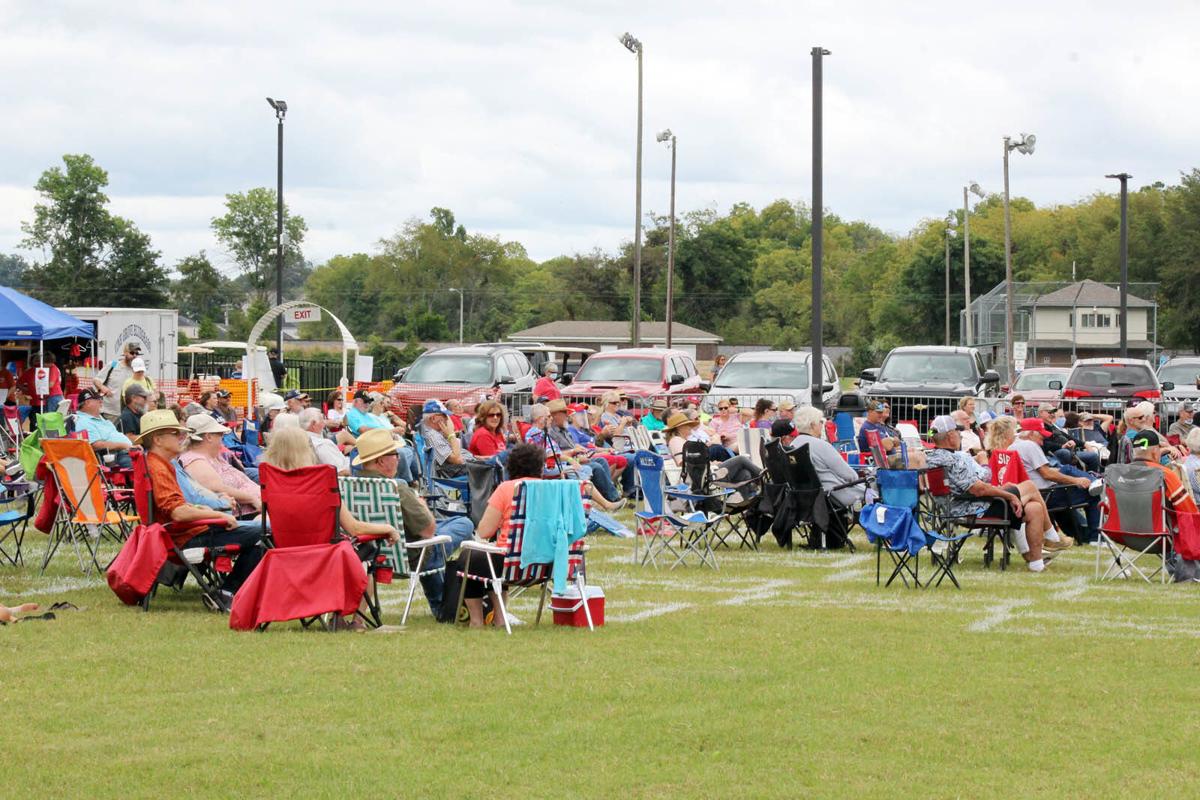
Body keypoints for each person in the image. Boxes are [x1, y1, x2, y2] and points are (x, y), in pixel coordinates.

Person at [262, 426, 401, 627]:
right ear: (307, 449)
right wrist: (388, 528)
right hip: (326, 555)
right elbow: (354, 528)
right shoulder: (320, 479)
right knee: (369, 552)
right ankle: (356, 621)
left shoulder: (269, 481)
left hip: (284, 553)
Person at [137, 409, 266, 597]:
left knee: (266, 528)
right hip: (189, 534)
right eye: (175, 433)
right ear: (158, 439)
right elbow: (177, 513)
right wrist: (218, 514)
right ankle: (227, 592)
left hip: (190, 530)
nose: (182, 436)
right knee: (267, 531)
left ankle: (233, 591)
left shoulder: (162, 463)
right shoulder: (158, 468)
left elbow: (177, 506)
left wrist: (201, 508)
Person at [352, 427, 475, 618]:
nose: (399, 458)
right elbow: (428, 530)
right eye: (395, 454)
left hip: (370, 554)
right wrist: (421, 505)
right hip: (409, 555)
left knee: (444, 533)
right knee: (463, 525)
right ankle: (441, 604)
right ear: (381, 461)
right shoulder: (396, 488)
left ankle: (441, 604)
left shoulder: (350, 485)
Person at [925, 415, 1053, 572]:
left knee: (1034, 507)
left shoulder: (933, 457)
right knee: (1029, 487)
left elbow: (976, 486)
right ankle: (1052, 537)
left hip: (957, 505)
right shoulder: (954, 460)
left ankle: (1036, 563)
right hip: (972, 508)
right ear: (951, 436)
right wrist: (1009, 495)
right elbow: (979, 489)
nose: (959, 435)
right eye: (957, 433)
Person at [463, 443, 550, 628]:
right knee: (487, 559)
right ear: (540, 467)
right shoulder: (553, 490)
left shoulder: (506, 488)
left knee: (470, 558)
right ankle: (499, 617)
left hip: (512, 564)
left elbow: (485, 531)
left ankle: (477, 620)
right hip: (545, 564)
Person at [983, 415, 1070, 551]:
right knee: (1030, 491)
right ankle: (1051, 537)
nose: (1018, 433)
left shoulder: (989, 451)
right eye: (1015, 429)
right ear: (1008, 433)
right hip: (1003, 499)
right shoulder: (1020, 447)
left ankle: (1036, 553)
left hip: (999, 496)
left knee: (1031, 503)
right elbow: (1037, 476)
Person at [1014, 417, 1101, 544]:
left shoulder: (1013, 445)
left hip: (1034, 494)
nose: (1043, 442)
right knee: (1092, 494)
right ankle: (1095, 539)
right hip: (1044, 495)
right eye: (1041, 437)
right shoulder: (1030, 446)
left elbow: (1040, 472)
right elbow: (1046, 474)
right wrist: (1076, 480)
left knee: (1064, 472)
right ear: (1032, 433)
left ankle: (1084, 536)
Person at [181, 414, 262, 517]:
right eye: (220, 435)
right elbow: (217, 489)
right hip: (243, 515)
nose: (222, 439)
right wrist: (252, 499)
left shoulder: (213, 455)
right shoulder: (195, 461)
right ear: (209, 437)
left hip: (255, 508)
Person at [545, 399, 622, 502]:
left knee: (601, 461)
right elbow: (555, 454)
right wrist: (574, 453)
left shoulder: (564, 430)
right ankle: (612, 498)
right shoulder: (551, 432)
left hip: (576, 458)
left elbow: (575, 445)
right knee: (596, 466)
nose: (566, 416)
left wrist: (580, 450)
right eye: (564, 413)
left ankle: (608, 496)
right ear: (555, 415)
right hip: (566, 462)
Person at [789, 408, 864, 508]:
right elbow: (850, 476)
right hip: (834, 494)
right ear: (812, 425)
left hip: (808, 496)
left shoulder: (793, 445)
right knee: (875, 488)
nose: (822, 425)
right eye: (820, 422)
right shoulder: (821, 445)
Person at [663, 412, 761, 486]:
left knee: (744, 473)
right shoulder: (676, 440)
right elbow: (684, 462)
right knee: (741, 459)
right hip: (701, 475)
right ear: (679, 428)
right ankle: (763, 476)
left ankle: (748, 505)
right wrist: (709, 464)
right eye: (687, 425)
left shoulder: (680, 440)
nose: (690, 427)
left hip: (703, 472)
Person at [1129, 429, 1198, 514]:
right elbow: (1188, 511)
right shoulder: (1164, 474)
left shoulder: (1119, 472)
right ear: (1155, 452)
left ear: (1133, 452)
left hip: (1118, 526)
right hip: (1157, 526)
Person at [72, 387, 133, 468]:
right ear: (87, 402)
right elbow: (96, 445)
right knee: (144, 468)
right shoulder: (83, 421)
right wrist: (124, 445)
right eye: (98, 399)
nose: (101, 401)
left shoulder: (98, 417)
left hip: (126, 451)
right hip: (115, 457)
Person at [93, 341, 141, 422]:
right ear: (125, 353)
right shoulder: (113, 365)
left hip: (128, 413)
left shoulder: (136, 370)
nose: (134, 356)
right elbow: (96, 380)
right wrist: (103, 388)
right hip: (110, 412)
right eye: (132, 353)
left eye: (137, 353)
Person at [421, 399, 468, 478]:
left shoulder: (432, 429)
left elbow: (450, 426)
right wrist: (451, 435)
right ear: (433, 419)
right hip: (457, 472)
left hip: (463, 466)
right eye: (445, 416)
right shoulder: (432, 435)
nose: (447, 419)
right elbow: (457, 460)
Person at [299, 407, 349, 475]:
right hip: (344, 480)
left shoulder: (300, 441)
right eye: (322, 419)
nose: (324, 422)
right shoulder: (322, 445)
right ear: (313, 424)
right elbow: (341, 472)